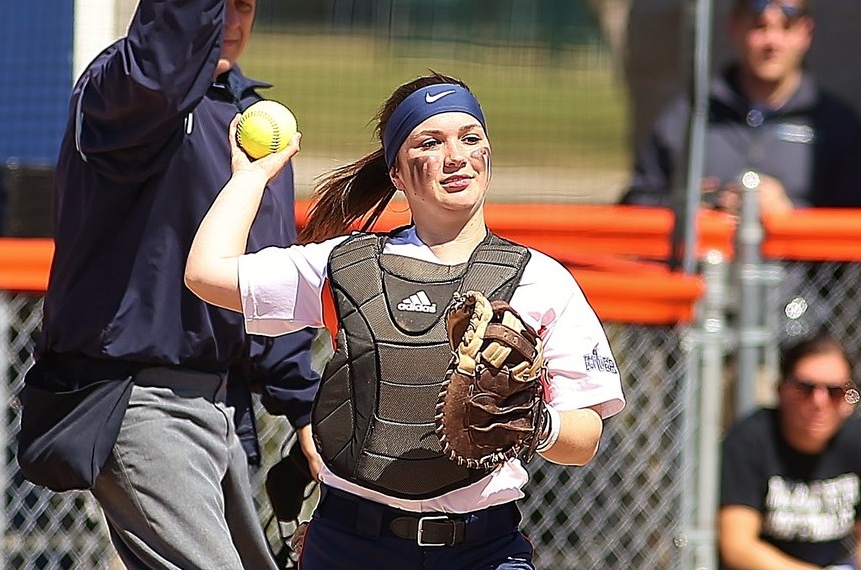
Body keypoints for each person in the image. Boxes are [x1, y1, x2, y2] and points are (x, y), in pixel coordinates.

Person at [185, 71, 627, 569]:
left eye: (470, 138)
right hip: (352, 544)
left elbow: (584, 439)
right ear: (396, 172)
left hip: (481, 550)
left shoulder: (539, 279)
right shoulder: (348, 266)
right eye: (430, 142)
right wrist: (249, 178)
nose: (455, 156)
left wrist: (531, 423)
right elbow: (206, 274)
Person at [16, 1, 321, 569]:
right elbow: (163, 65)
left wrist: (304, 406)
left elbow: (265, 276)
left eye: (245, 5)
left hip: (221, 405)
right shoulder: (125, 94)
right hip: (139, 398)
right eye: (217, 4)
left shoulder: (251, 115)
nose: (232, 20)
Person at [619, 0, 861, 215]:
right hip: (708, 252)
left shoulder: (836, 125)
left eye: (786, 27)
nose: (772, 42)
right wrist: (690, 207)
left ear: (806, 33)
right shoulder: (690, 115)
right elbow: (636, 205)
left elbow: (850, 223)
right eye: (759, 26)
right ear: (734, 27)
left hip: (798, 253)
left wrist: (790, 214)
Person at [718, 334, 861, 569]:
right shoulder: (751, 439)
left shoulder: (856, 441)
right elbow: (738, 547)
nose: (819, 402)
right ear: (780, 390)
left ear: (849, 400)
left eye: (835, 392)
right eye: (805, 389)